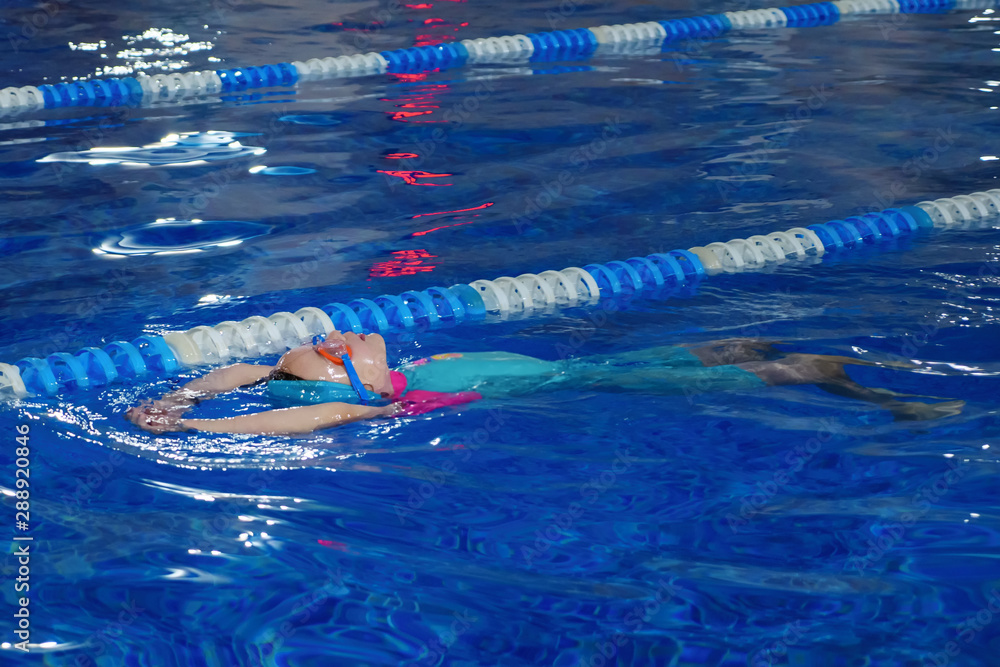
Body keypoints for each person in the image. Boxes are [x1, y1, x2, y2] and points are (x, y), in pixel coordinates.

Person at [125, 331, 964, 435]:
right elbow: (298, 420)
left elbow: (249, 369)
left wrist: (192, 392)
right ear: (356, 381)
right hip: (600, 379)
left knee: (747, 341)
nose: (330, 335)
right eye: (330, 348)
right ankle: (890, 397)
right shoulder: (384, 399)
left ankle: (882, 378)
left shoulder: (403, 369)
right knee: (797, 366)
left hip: (597, 363)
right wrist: (197, 430)